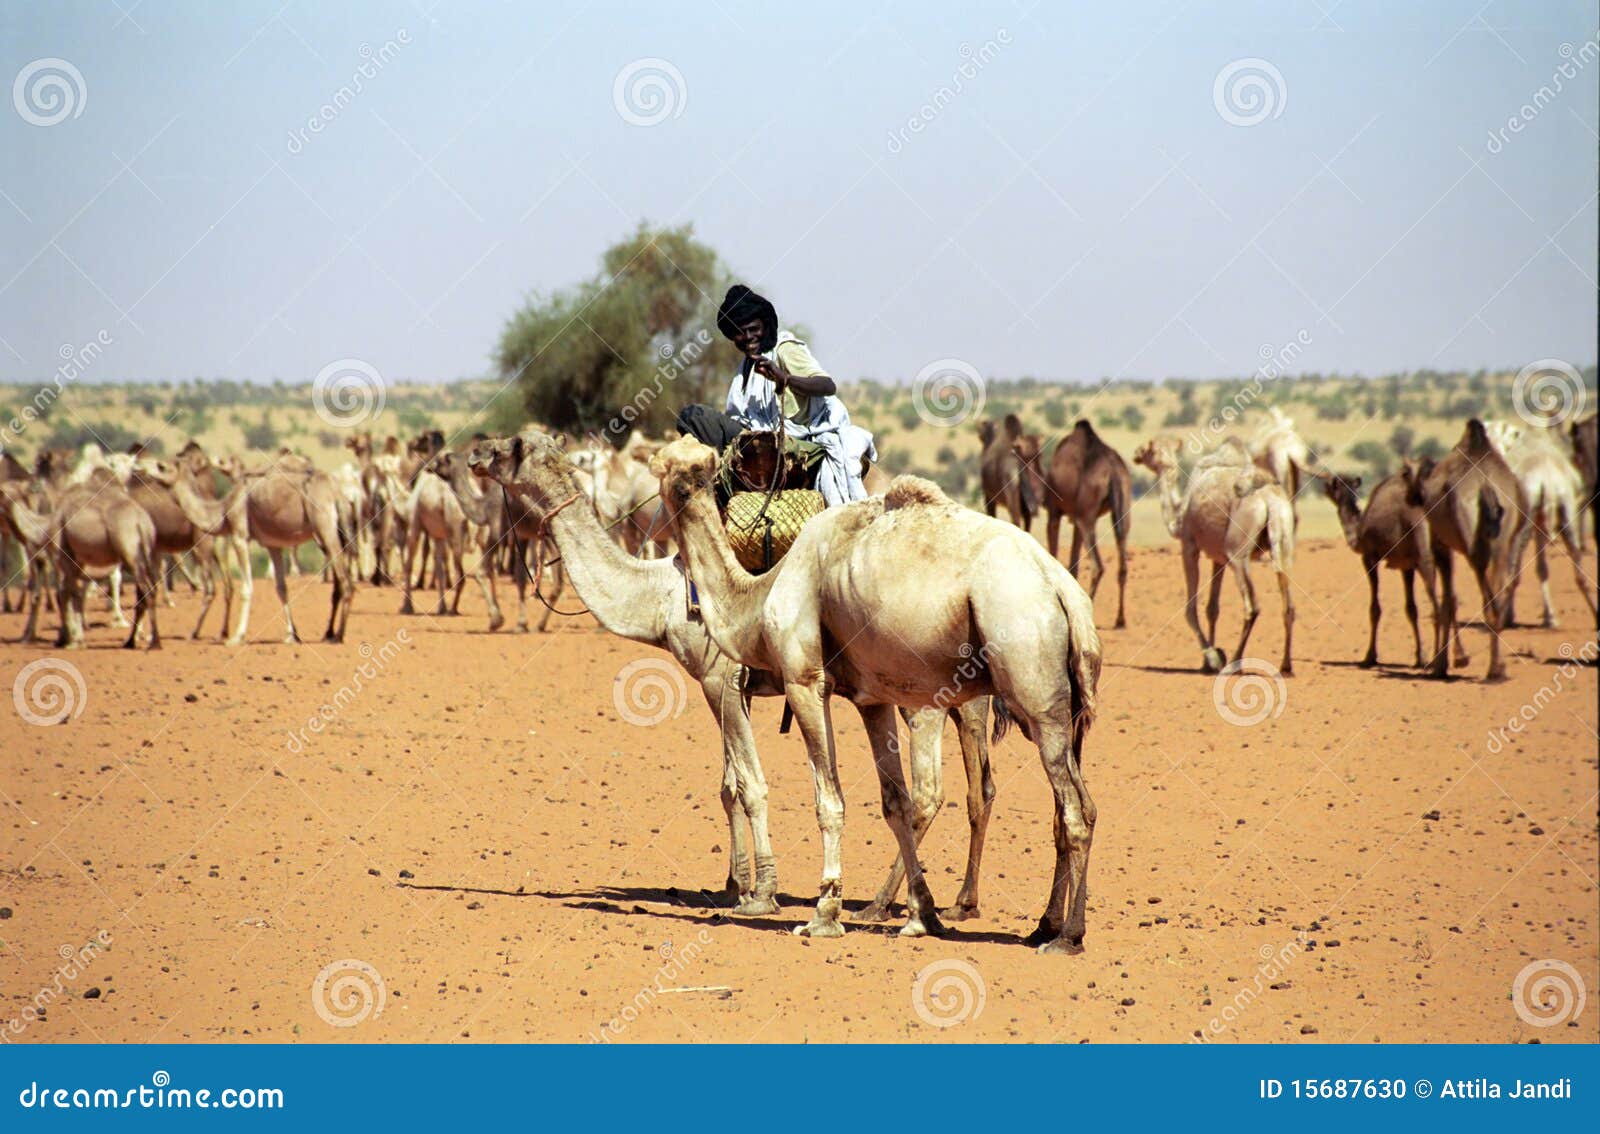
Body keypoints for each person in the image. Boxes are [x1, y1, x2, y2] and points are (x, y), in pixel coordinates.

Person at [676, 284, 875, 506]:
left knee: (693, 415)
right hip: (754, 441)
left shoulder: (784, 348)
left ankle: (725, 486)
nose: (748, 337)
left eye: (753, 329)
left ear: (765, 325)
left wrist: (785, 379)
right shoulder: (746, 367)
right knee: (691, 421)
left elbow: (827, 386)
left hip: (789, 444)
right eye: (740, 333)